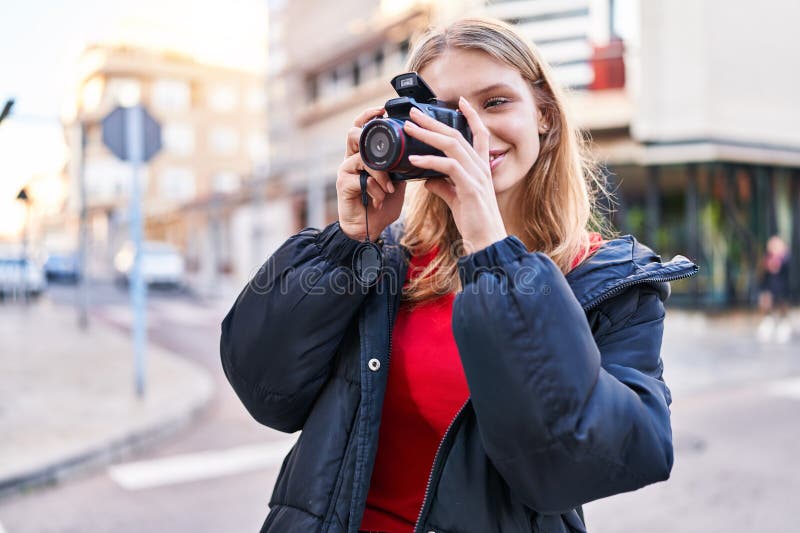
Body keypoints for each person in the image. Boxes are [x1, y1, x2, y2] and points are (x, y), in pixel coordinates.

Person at [220, 17, 698, 533]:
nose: (474, 133)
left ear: (544, 114)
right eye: (447, 114)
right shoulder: (386, 258)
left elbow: (584, 464)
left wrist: (492, 251)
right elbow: (266, 391)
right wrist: (347, 242)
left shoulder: (612, 282)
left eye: (495, 102)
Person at [757, 235, 792, 344]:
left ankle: (783, 324)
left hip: (782, 288)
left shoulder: (786, 258)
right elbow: (762, 274)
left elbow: (786, 269)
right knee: (766, 302)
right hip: (770, 287)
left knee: (782, 305)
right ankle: (768, 322)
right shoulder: (766, 258)